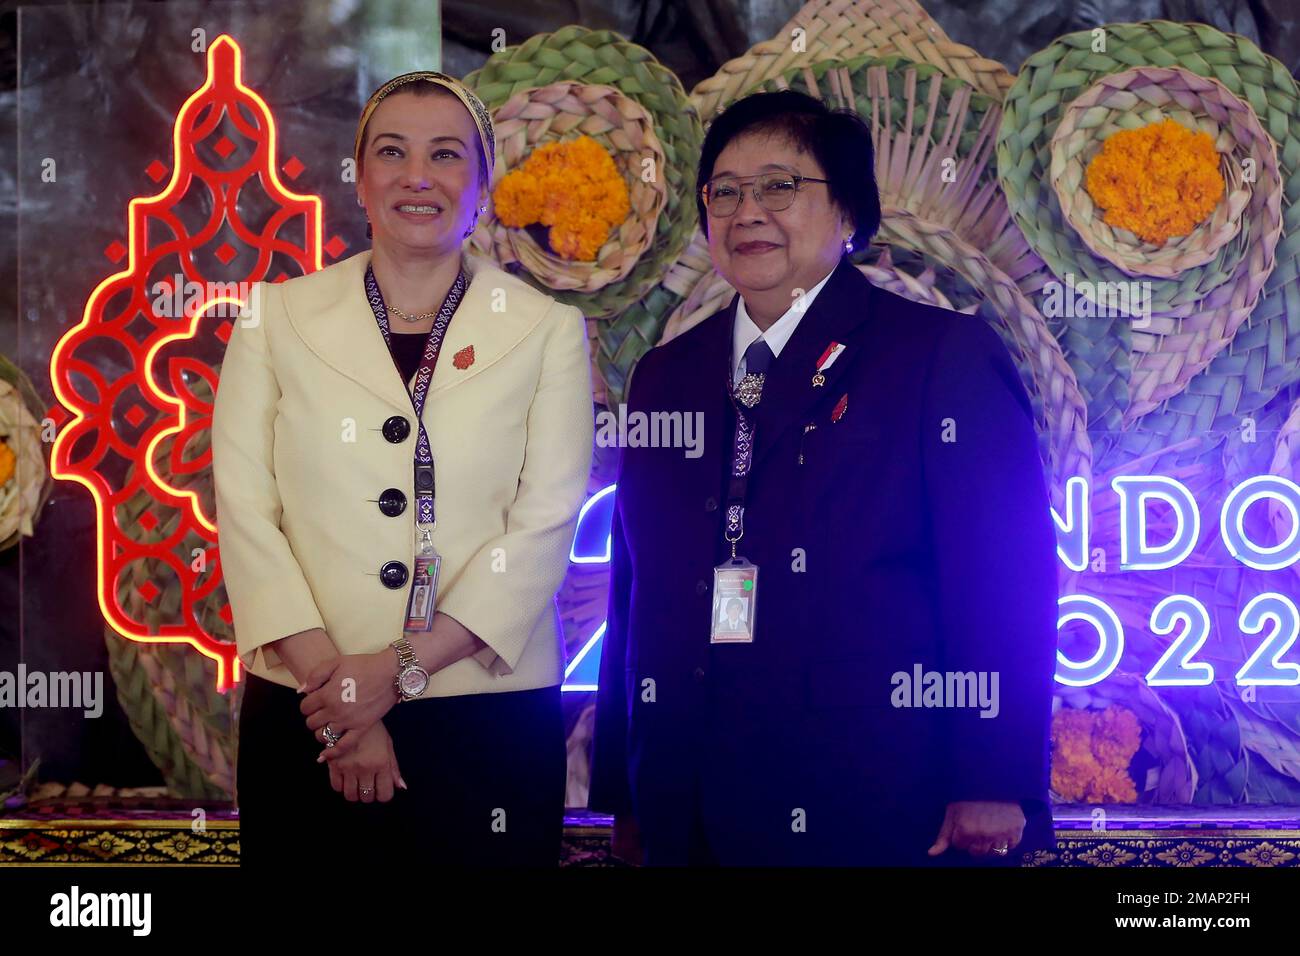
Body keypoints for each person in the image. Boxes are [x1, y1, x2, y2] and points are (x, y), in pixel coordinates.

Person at [590, 90, 1058, 866]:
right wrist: (624, 788)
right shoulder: (667, 375)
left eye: (780, 186)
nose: (748, 212)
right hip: (689, 796)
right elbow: (632, 587)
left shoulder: (938, 355)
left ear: (848, 215)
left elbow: (1002, 576)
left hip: (874, 792)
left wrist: (992, 773)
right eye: (727, 192)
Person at [212, 71, 593, 868]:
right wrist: (343, 700)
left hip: (485, 712)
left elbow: (545, 522)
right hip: (308, 709)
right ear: (360, 178)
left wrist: (395, 674)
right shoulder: (275, 319)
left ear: (482, 188)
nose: (417, 175)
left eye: (446, 155)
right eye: (393, 151)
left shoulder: (548, 329)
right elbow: (247, 513)